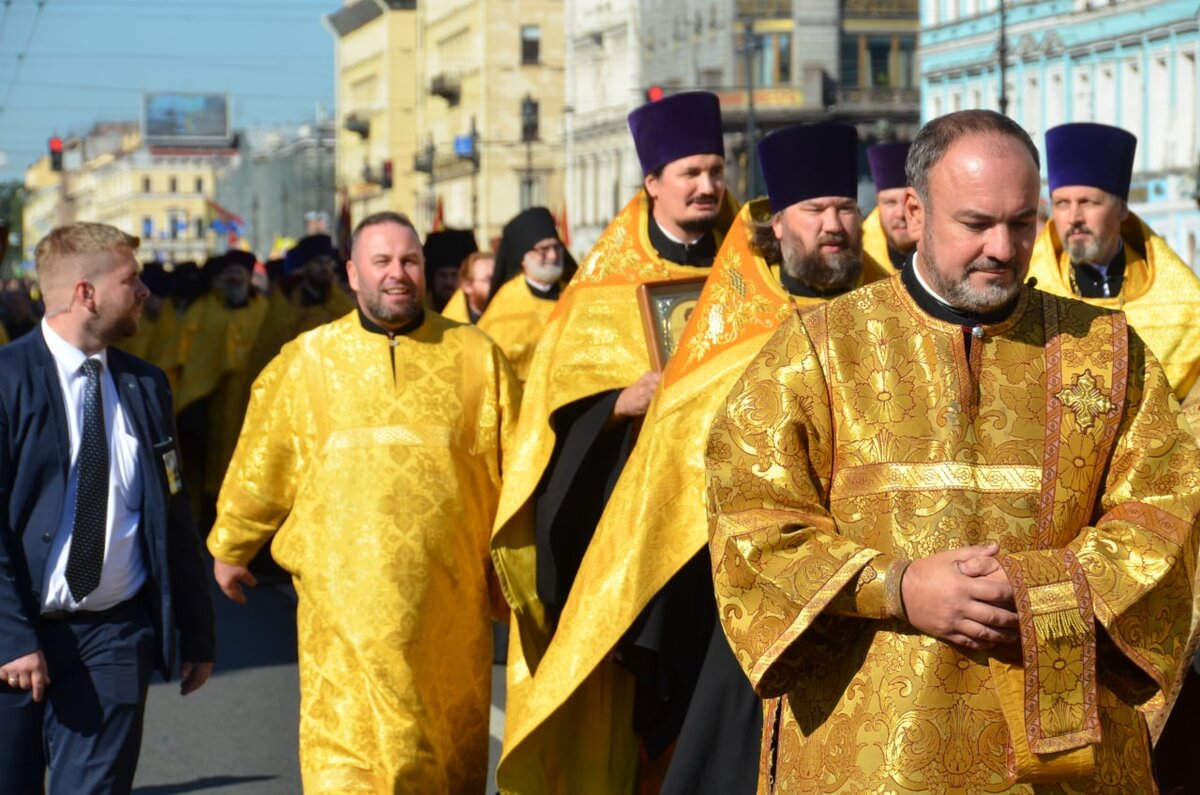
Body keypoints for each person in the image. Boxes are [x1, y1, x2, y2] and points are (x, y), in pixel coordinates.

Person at [705, 109, 1200, 792]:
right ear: (914, 209)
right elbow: (751, 520)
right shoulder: (818, 350)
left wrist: (1041, 591)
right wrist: (897, 587)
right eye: (975, 223)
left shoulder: (1108, 352)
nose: (1002, 246)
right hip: (874, 758)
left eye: (1023, 223)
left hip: (1059, 757)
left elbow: (1166, 514)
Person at [207, 211, 519, 793]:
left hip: (448, 610)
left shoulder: (479, 356)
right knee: (350, 768)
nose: (397, 274)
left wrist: (518, 574)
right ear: (353, 273)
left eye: (410, 261)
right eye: (382, 261)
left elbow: (519, 467)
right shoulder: (307, 361)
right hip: (341, 615)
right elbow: (265, 459)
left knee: (443, 761)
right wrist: (232, 543)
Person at [491, 90, 739, 793]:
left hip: (726, 527)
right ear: (653, 182)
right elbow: (551, 411)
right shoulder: (601, 285)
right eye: (690, 171)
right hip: (629, 533)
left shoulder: (748, 274)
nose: (706, 186)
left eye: (715, 171)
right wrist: (614, 402)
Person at [0, 223, 215, 794]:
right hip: (14, 638)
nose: (145, 291)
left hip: (114, 636)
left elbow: (174, 512)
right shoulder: (7, 380)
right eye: (131, 279)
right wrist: (12, 637)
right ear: (85, 293)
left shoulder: (145, 384)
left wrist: (196, 633)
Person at [1028, 122, 1200, 400]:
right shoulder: (1029, 292)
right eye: (1061, 203)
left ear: (1121, 208)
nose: (1074, 218)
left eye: (1088, 202)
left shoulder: (1183, 303)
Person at [174, 250, 268, 526]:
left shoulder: (264, 309)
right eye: (230, 272)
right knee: (210, 467)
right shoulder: (203, 309)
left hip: (252, 404)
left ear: (249, 277)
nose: (235, 277)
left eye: (240, 272)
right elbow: (185, 353)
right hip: (211, 402)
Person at [478, 207, 574, 381]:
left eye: (556, 247)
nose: (553, 256)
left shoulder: (576, 295)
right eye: (543, 250)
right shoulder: (503, 306)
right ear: (523, 258)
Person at [862, 140, 915, 274]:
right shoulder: (859, 260)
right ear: (878, 203)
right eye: (890, 202)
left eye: (910, 201)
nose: (901, 214)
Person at [423, 228, 478, 313]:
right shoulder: (418, 311)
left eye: (454, 275)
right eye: (442, 275)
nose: (448, 282)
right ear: (432, 278)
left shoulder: (478, 312)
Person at [441, 250, 495, 324]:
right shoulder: (451, 327)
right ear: (467, 286)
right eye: (489, 280)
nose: (497, 284)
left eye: (500, 278)